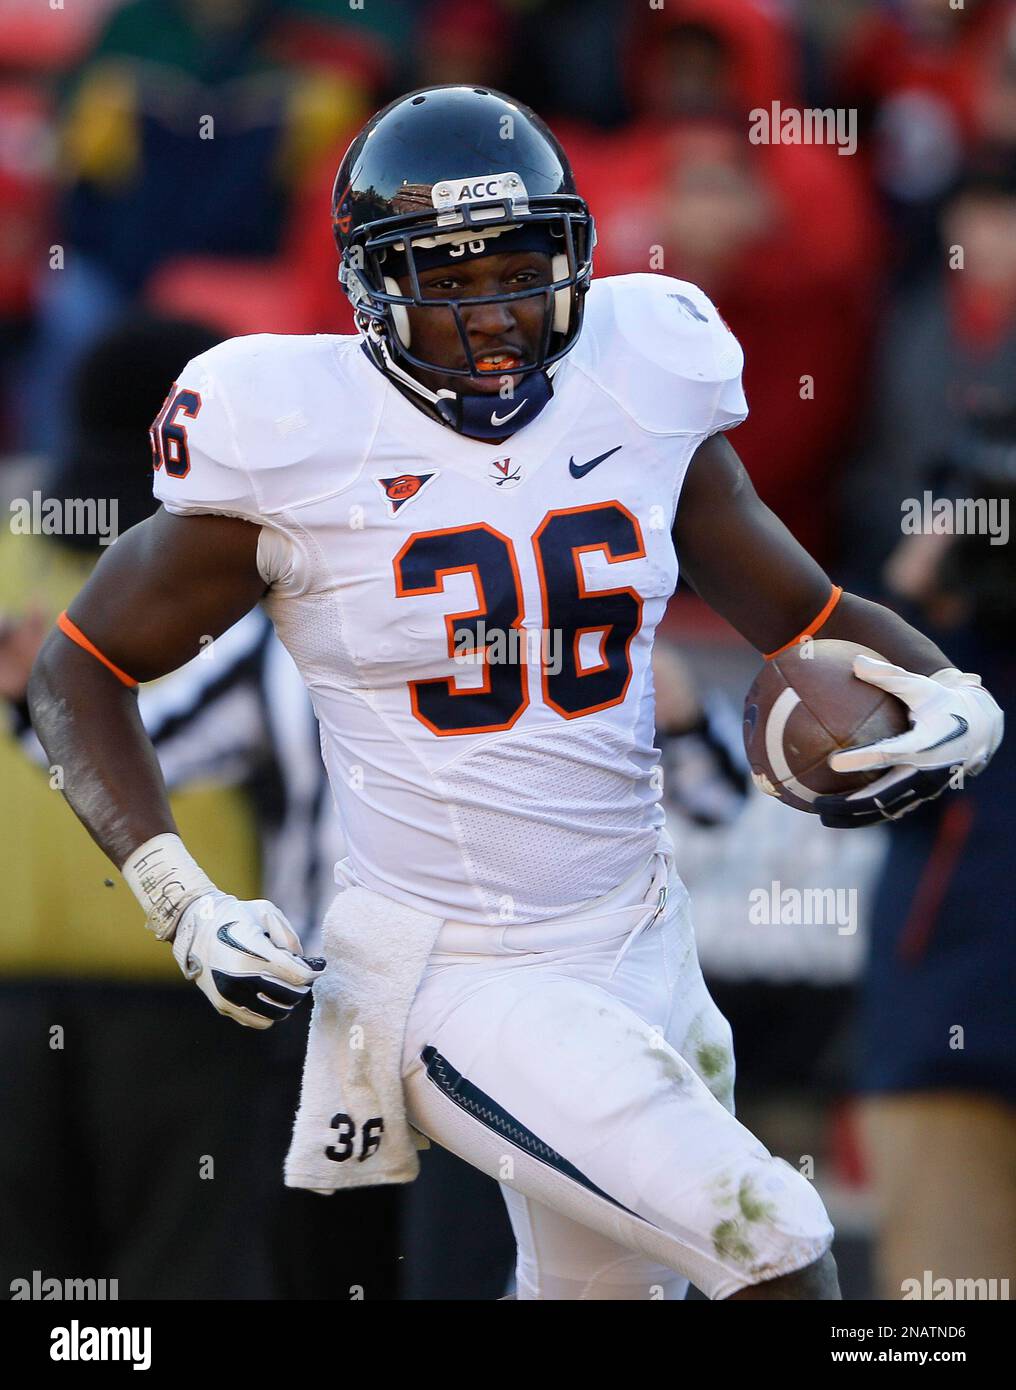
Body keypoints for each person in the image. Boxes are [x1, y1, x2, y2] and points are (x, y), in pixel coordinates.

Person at [28, 85, 1003, 1302]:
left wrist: (952, 694)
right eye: (448, 274)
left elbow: (805, 616)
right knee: (770, 1235)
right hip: (459, 971)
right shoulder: (290, 433)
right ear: (373, 285)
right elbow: (79, 669)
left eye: (519, 266)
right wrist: (183, 902)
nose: (492, 308)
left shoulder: (642, 370)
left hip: (646, 940)